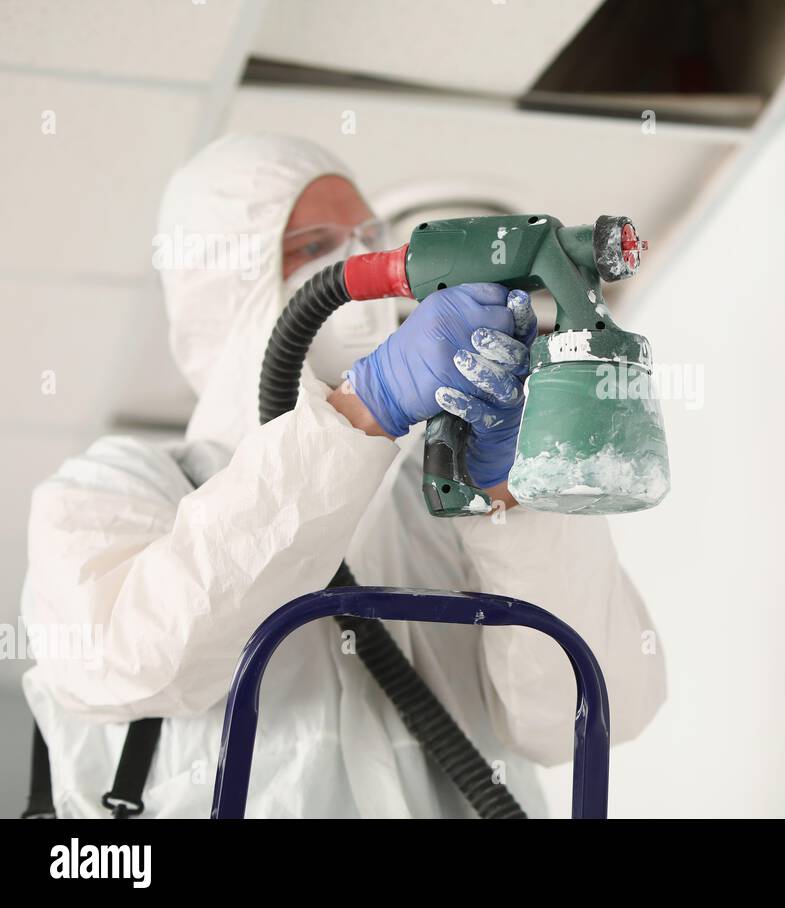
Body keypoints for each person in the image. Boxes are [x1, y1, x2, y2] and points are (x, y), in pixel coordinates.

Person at [20, 133, 666, 818]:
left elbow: (600, 709)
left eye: (368, 237)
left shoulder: (438, 493)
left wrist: (510, 502)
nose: (354, 262)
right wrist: (365, 409)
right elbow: (131, 658)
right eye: (313, 247)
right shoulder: (115, 489)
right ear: (225, 289)